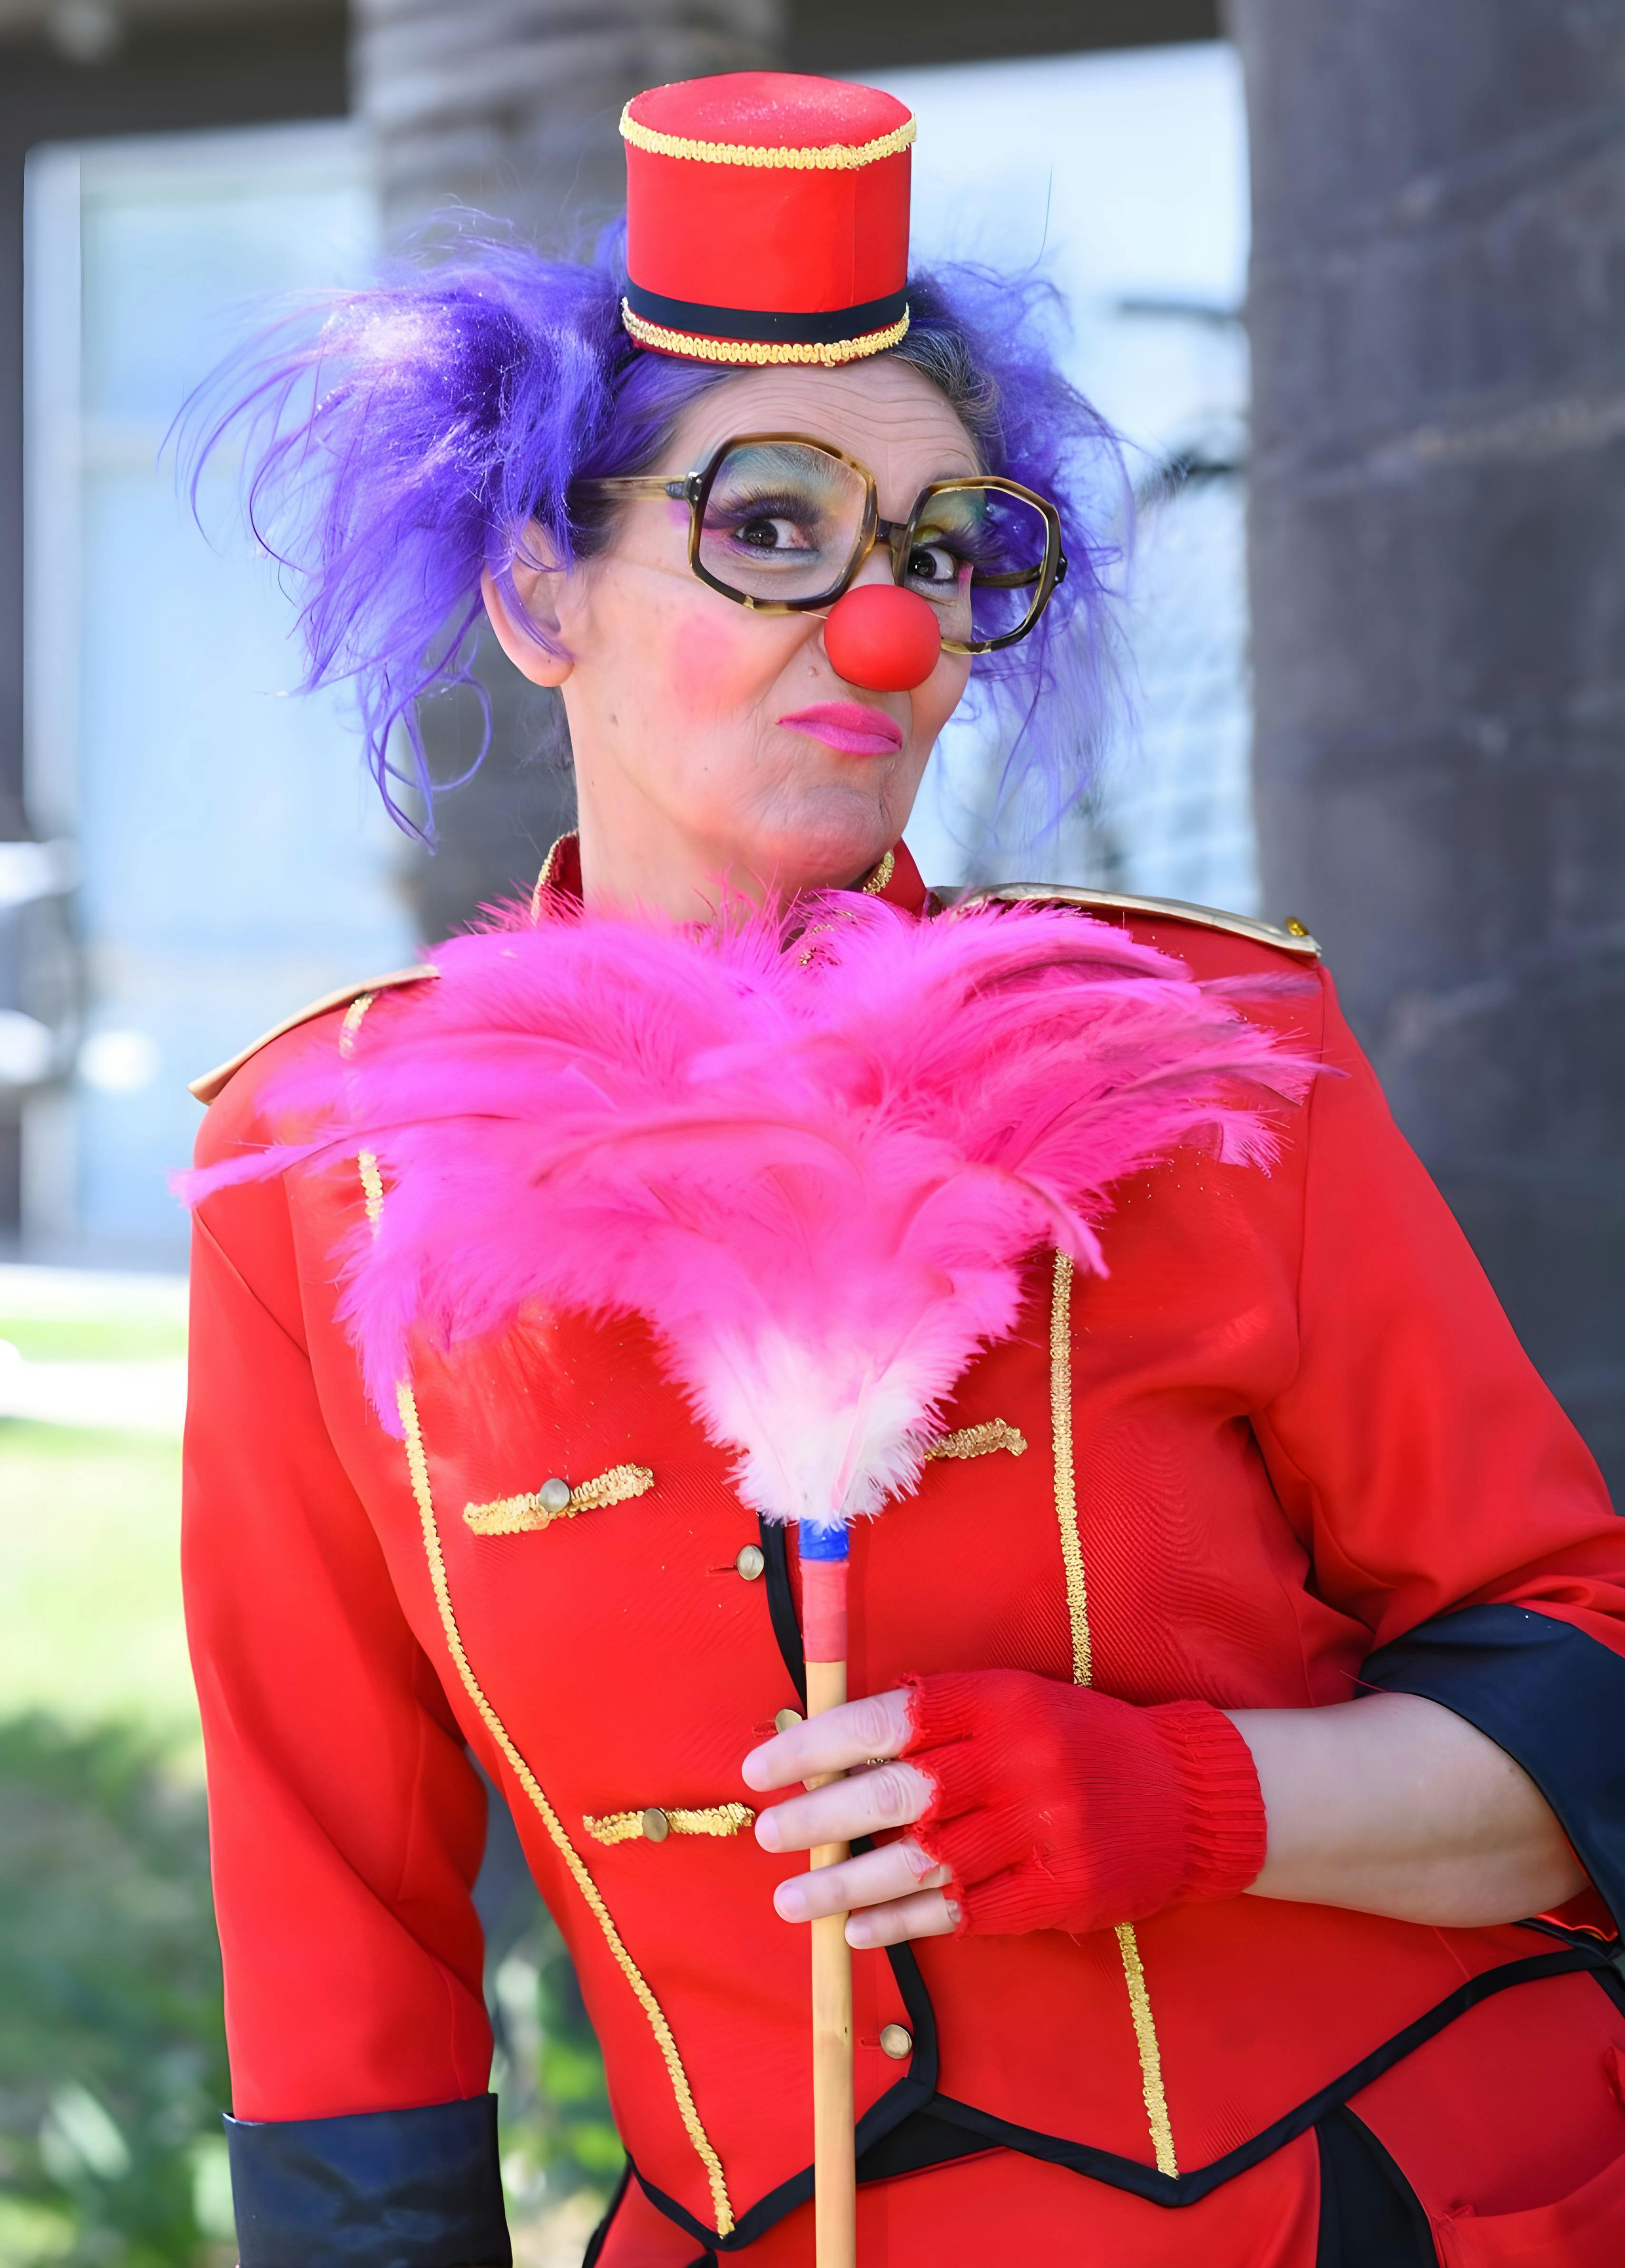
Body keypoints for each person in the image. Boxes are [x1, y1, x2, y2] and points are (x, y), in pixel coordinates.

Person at [178, 71, 1625, 2268]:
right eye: (770, 520)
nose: (887, 627)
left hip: (1374, 2208)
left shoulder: (1204, 1059)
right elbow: (335, 1934)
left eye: (947, 550)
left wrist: (1188, 1799)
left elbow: (1582, 1675)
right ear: (533, 586)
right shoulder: (312, 1174)